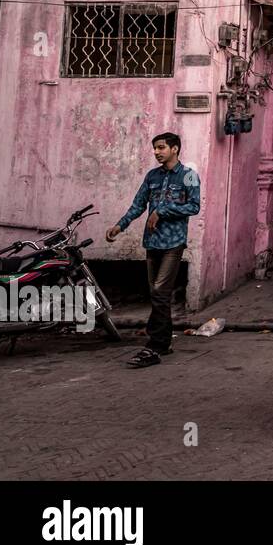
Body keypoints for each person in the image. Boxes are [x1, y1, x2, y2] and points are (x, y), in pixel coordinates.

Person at [106, 132, 201, 369]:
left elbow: (194, 206)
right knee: (157, 294)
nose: (157, 152)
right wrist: (120, 226)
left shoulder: (188, 176)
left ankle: (156, 344)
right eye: (155, 148)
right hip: (152, 243)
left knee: (160, 292)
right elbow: (138, 204)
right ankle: (164, 341)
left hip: (173, 243)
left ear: (175, 149)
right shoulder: (152, 176)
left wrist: (163, 210)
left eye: (161, 147)